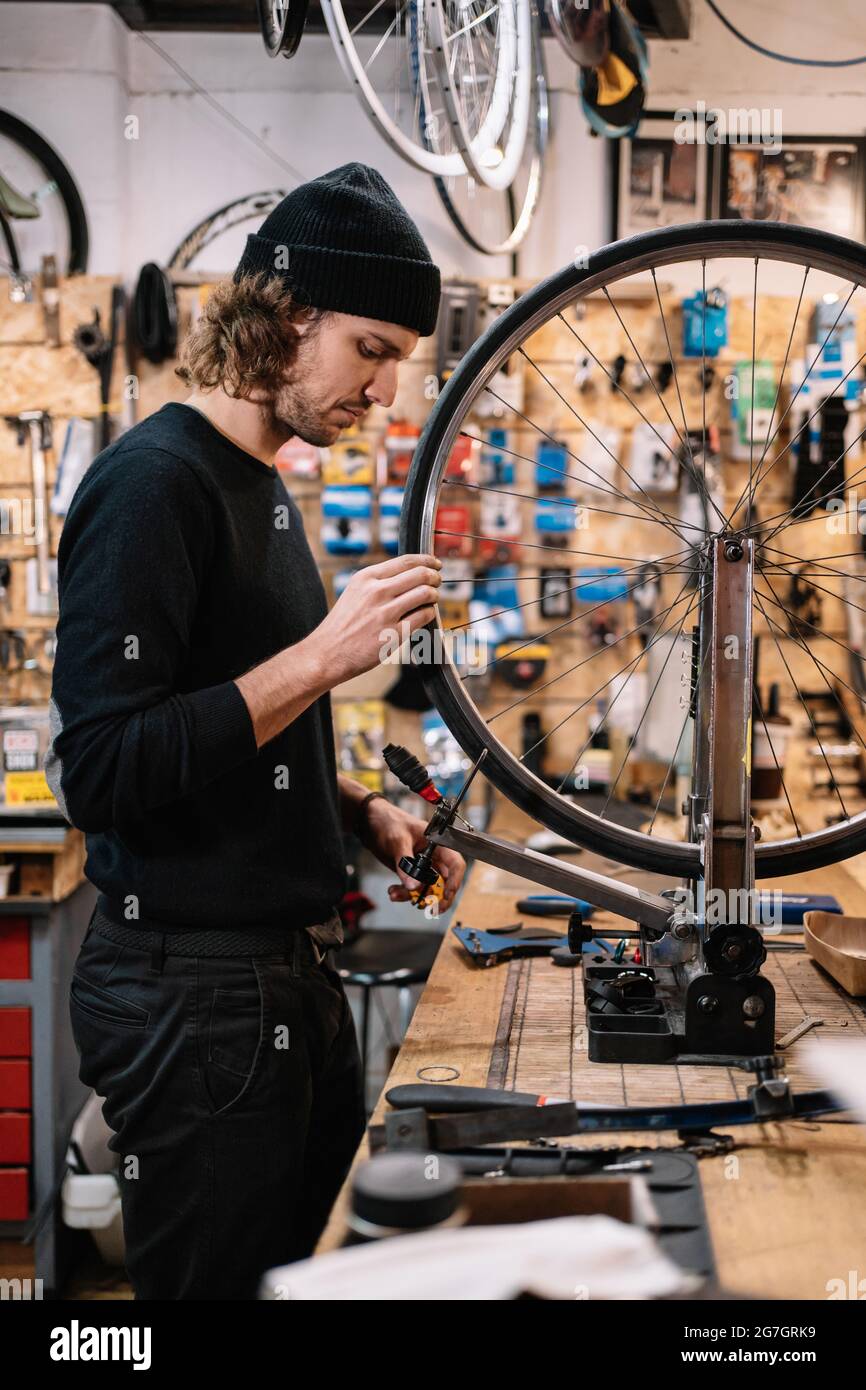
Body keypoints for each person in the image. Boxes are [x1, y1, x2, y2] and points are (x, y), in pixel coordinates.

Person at [46, 163, 466, 1300]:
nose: (383, 393)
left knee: (305, 1281)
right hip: (191, 996)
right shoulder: (152, 487)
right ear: (285, 315)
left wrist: (358, 812)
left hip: (283, 977)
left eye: (398, 362)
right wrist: (322, 657)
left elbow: (240, 739)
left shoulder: (260, 487)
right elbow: (101, 770)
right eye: (371, 349)